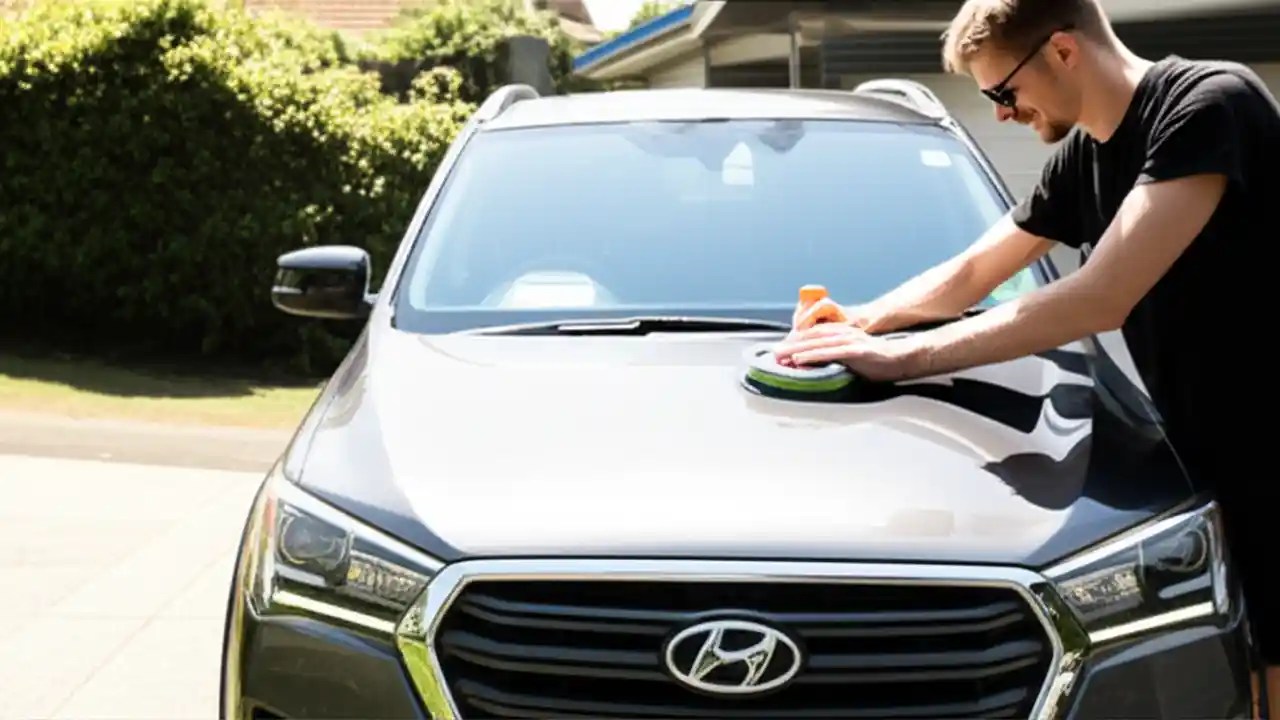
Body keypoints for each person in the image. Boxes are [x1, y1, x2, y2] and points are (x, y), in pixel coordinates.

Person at [773, 0, 1280, 714]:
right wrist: (858, 322)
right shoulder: (1087, 154)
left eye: (1003, 93)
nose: (1002, 115)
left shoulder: (1208, 106)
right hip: (1205, 467)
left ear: (1064, 52)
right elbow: (971, 275)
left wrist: (900, 359)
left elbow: (1099, 296)